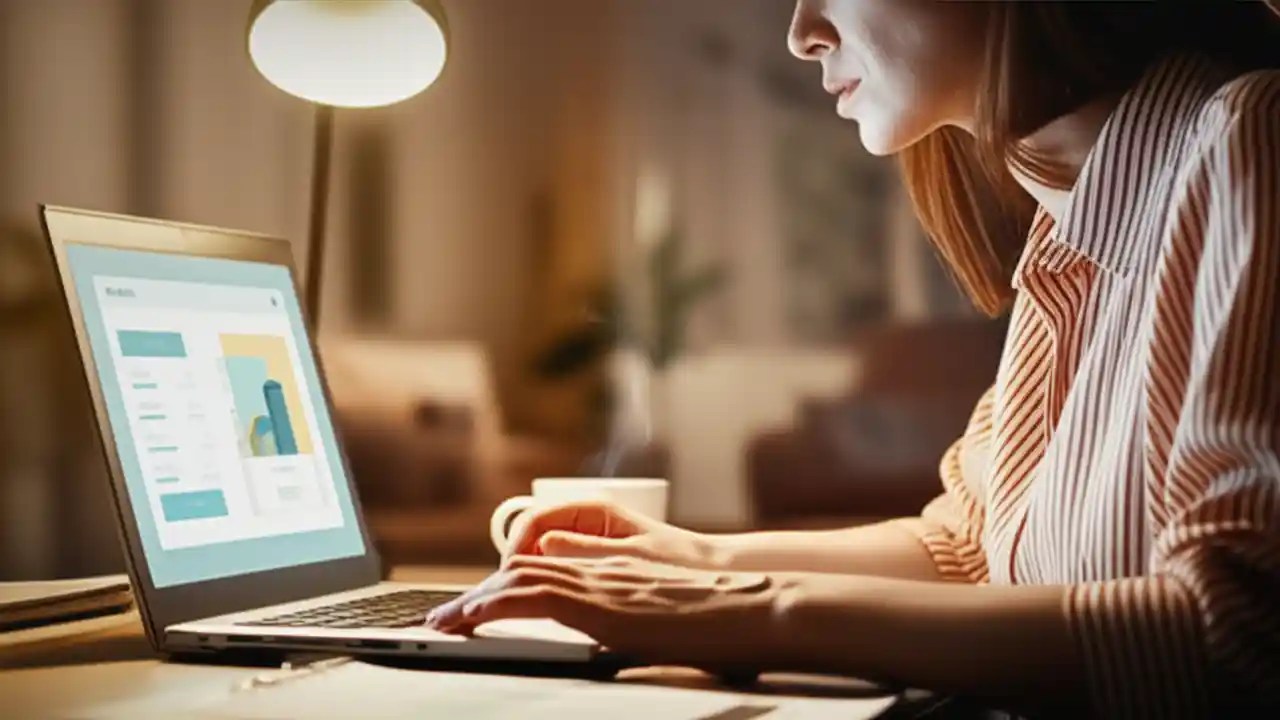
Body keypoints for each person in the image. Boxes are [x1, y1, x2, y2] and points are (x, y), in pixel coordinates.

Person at [428, 2, 1280, 715]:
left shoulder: (1255, 136)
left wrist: (753, 612)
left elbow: (1234, 636)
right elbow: (968, 551)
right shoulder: (1076, 226)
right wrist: (689, 559)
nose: (802, 31)